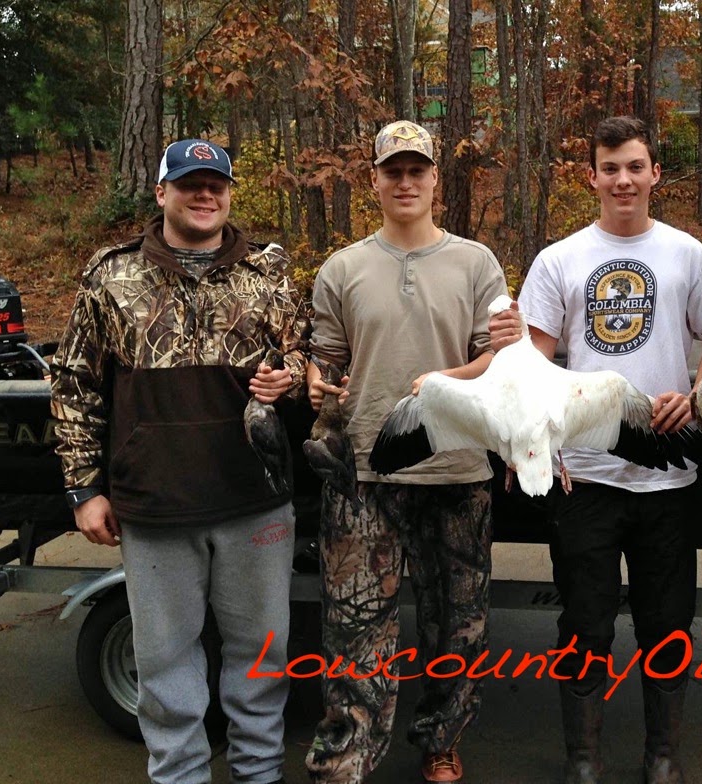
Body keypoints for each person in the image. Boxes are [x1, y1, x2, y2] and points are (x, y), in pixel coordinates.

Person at [51, 138, 307, 784]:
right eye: (191, 183)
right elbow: (75, 383)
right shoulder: (112, 277)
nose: (204, 195)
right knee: (165, 666)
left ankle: (259, 773)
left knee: (261, 657)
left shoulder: (269, 272)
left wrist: (289, 376)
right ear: (162, 192)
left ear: (229, 195)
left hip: (255, 501)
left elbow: (310, 355)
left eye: (215, 184)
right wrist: (84, 488)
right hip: (155, 504)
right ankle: (178, 775)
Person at [490, 115, 702, 784]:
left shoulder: (687, 254)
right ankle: (584, 760)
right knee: (584, 624)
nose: (623, 179)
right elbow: (532, 367)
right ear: (591, 177)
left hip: (667, 475)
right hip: (585, 478)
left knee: (667, 624)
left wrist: (697, 394)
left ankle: (663, 757)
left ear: (655, 173)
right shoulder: (559, 260)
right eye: (610, 168)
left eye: (635, 167)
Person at [304, 120, 508, 784]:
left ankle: (442, 740)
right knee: (357, 629)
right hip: (364, 471)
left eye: (417, 170)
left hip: (457, 467)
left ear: (435, 179)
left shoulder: (475, 263)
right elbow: (325, 358)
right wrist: (317, 381)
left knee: (459, 625)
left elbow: (498, 357)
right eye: (393, 171)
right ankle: (346, 759)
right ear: (374, 180)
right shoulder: (342, 268)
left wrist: (448, 379)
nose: (405, 181)